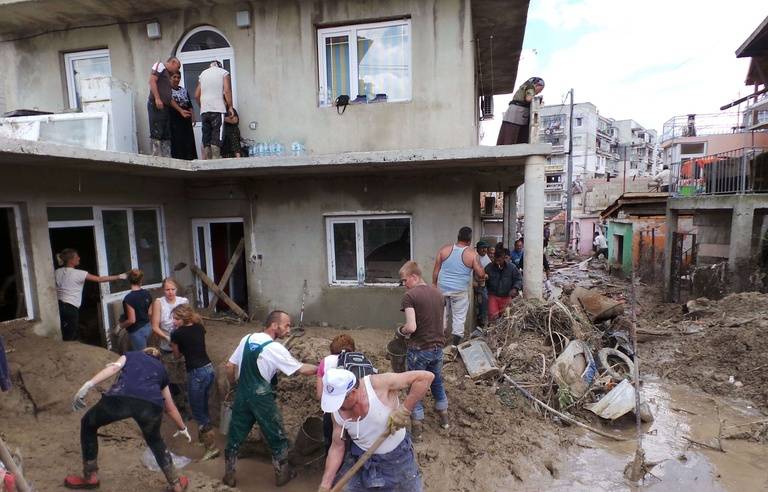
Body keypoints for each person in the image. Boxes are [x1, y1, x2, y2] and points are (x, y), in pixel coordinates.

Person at [64, 347, 191, 491]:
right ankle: (176, 484)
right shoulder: (161, 370)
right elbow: (170, 407)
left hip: (121, 397)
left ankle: (91, 476)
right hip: (150, 406)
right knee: (156, 441)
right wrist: (182, 427)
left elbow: (113, 368)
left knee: (88, 423)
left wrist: (88, 384)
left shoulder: (132, 355)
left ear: (144, 352)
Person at [223, 310, 318, 487]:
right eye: (287, 325)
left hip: (243, 394)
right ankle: (282, 475)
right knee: (276, 434)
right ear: (274, 325)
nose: (289, 329)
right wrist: (322, 368)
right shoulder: (275, 348)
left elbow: (229, 367)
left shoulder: (248, 338)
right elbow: (301, 369)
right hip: (262, 397)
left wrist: (234, 386)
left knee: (235, 434)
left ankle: (229, 475)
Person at [318, 368, 434, 492]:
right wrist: (325, 484)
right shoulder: (337, 412)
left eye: (339, 403)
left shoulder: (378, 385)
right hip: (361, 459)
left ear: (352, 392)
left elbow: (425, 377)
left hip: (397, 458)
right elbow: (337, 447)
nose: (337, 407)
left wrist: (405, 410)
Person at [399, 261, 449, 440]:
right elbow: (443, 326)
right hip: (437, 348)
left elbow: (411, 327)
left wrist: (401, 330)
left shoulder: (410, 296)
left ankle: (418, 426)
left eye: (405, 280)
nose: (404, 284)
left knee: (415, 385)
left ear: (414, 276)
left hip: (419, 349)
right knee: (436, 381)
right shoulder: (438, 293)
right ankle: (444, 417)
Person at [170, 304, 219, 461]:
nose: (173, 321)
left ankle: (211, 448)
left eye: (175, 319)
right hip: (209, 369)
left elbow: (177, 356)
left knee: (197, 410)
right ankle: (203, 439)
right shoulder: (199, 327)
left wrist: (173, 342)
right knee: (203, 404)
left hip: (196, 372)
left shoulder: (176, 334)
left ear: (183, 319)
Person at [55, 248, 127, 342]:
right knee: (71, 336)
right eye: (77, 257)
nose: (79, 258)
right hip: (71, 308)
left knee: (64, 332)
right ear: (71, 260)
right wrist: (119, 276)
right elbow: (99, 279)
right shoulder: (79, 273)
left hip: (59, 306)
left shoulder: (57, 272)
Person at [433, 227, 487, 346]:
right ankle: (454, 346)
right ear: (469, 240)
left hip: (442, 290)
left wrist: (434, 286)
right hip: (459, 292)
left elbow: (436, 271)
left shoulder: (444, 250)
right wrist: (483, 274)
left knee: (442, 317)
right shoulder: (472, 254)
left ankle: (439, 344)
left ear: (458, 237)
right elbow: (481, 274)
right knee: (459, 318)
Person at [150, 278, 190, 416]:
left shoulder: (183, 302)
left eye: (173, 289)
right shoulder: (159, 303)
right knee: (170, 377)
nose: (170, 292)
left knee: (184, 376)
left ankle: (186, 404)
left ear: (176, 289)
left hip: (183, 345)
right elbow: (155, 326)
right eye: (167, 289)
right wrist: (167, 337)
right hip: (166, 346)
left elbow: (189, 322)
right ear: (163, 290)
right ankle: (175, 406)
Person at [316, 334, 357, 450]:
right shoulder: (359, 361)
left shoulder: (325, 362)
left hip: (332, 410)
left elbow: (319, 395)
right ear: (352, 349)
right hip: (355, 411)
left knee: (332, 444)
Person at [195, 60, 233, 160]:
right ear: (220, 66)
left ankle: (208, 161)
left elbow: (196, 95)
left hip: (205, 110)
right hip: (217, 109)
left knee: (206, 136)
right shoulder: (223, 72)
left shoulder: (203, 74)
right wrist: (230, 107)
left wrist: (202, 106)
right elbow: (227, 90)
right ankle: (215, 161)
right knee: (217, 135)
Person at [148, 57, 181, 157]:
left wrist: (180, 110)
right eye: (178, 67)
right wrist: (157, 98)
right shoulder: (160, 66)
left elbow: (168, 97)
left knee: (166, 134)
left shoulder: (167, 74)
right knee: (157, 131)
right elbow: (152, 81)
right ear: (173, 62)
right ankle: (156, 157)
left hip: (165, 107)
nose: (177, 70)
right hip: (156, 105)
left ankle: (167, 158)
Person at [496, 77, 545, 145]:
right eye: (541, 89)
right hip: (516, 116)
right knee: (511, 138)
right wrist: (538, 99)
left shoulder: (525, 86)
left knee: (506, 137)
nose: (540, 91)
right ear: (537, 85)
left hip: (512, 114)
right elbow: (528, 98)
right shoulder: (531, 87)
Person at [119, 269, 153, 351]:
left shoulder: (129, 298)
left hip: (137, 332)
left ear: (129, 280)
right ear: (141, 280)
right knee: (150, 353)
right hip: (148, 328)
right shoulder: (147, 293)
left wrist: (120, 326)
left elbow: (132, 320)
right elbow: (150, 313)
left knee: (141, 356)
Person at [484, 249, 522, 321]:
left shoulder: (512, 268)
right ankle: (493, 331)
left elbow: (519, 279)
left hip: (506, 296)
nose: (497, 263)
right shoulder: (489, 267)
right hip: (493, 295)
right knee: (493, 316)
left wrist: (515, 288)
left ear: (504, 258)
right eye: (496, 260)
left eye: (499, 261)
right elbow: (483, 280)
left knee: (505, 318)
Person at [169, 72, 197, 160]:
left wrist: (193, 117)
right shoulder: (168, 91)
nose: (177, 79)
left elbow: (189, 105)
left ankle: (190, 158)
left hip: (186, 119)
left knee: (188, 140)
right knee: (177, 140)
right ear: (170, 78)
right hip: (174, 120)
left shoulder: (184, 90)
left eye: (178, 77)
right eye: (174, 77)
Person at [474, 241, 491, 328]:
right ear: (478, 249)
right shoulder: (475, 257)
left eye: (485, 248)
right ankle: (481, 318)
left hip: (484, 283)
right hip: (476, 283)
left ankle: (483, 319)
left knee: (485, 300)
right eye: (482, 248)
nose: (485, 250)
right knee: (483, 299)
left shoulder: (487, 258)